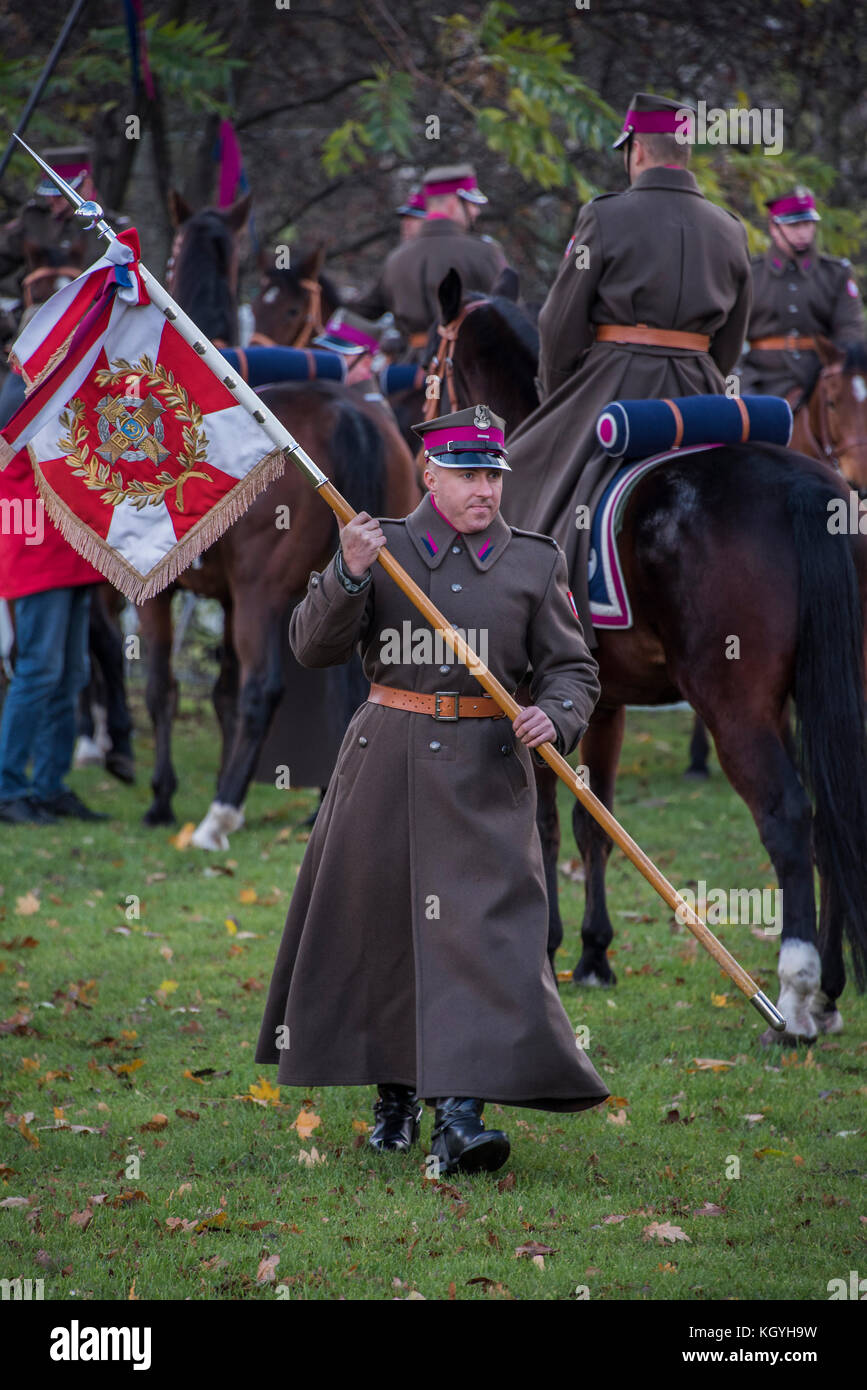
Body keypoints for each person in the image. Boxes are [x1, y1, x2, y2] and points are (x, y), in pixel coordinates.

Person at [255, 404, 608, 1174]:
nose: (485, 489)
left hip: (489, 771)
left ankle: (459, 1116)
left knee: (487, 935)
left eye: (493, 475)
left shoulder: (533, 562)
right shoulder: (378, 546)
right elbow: (312, 648)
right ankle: (395, 1095)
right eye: (469, 475)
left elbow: (572, 668)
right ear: (431, 474)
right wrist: (346, 570)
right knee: (384, 931)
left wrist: (555, 714)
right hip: (386, 761)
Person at [501, 93, 753, 639]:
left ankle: (535, 628)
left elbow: (558, 323)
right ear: (683, 152)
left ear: (637, 149)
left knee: (516, 473)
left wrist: (558, 392)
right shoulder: (730, 228)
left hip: (616, 383)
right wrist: (707, 379)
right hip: (702, 389)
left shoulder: (605, 215)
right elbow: (731, 339)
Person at [0, 373, 107, 825]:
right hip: (36, 549)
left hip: (71, 550)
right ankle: (7, 788)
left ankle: (48, 785)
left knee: (70, 674)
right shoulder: (17, 393)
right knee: (40, 671)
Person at [357, 164, 507, 352]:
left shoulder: (396, 258)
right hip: (467, 368)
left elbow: (363, 313)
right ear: (453, 204)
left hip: (410, 372)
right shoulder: (484, 253)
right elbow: (510, 315)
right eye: (472, 204)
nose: (476, 211)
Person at [739, 187, 865, 400]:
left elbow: (850, 329)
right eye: (794, 225)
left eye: (807, 224)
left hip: (820, 378)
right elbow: (730, 336)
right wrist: (740, 382)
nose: (803, 233)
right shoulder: (750, 273)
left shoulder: (836, 273)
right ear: (774, 227)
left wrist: (838, 364)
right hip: (761, 380)